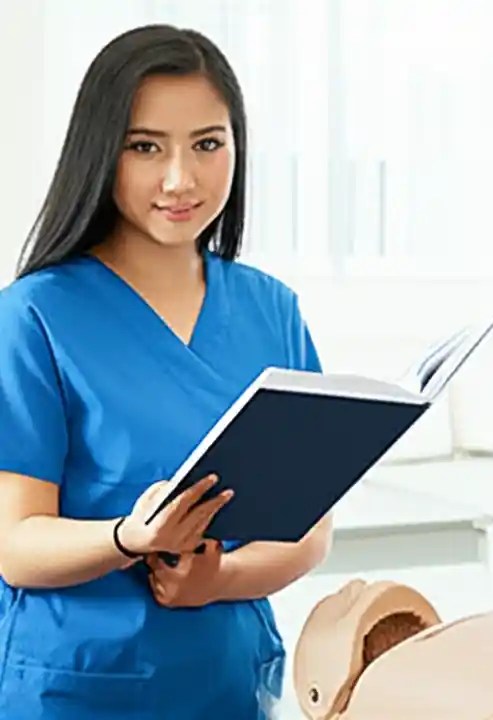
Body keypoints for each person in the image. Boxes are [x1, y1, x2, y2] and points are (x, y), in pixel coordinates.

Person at [0, 25, 333, 719]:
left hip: (228, 682)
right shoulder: (35, 316)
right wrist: (129, 537)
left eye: (208, 145)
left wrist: (219, 579)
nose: (181, 179)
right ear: (101, 151)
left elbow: (310, 530)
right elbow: (16, 545)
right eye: (145, 146)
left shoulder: (271, 310)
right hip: (76, 685)